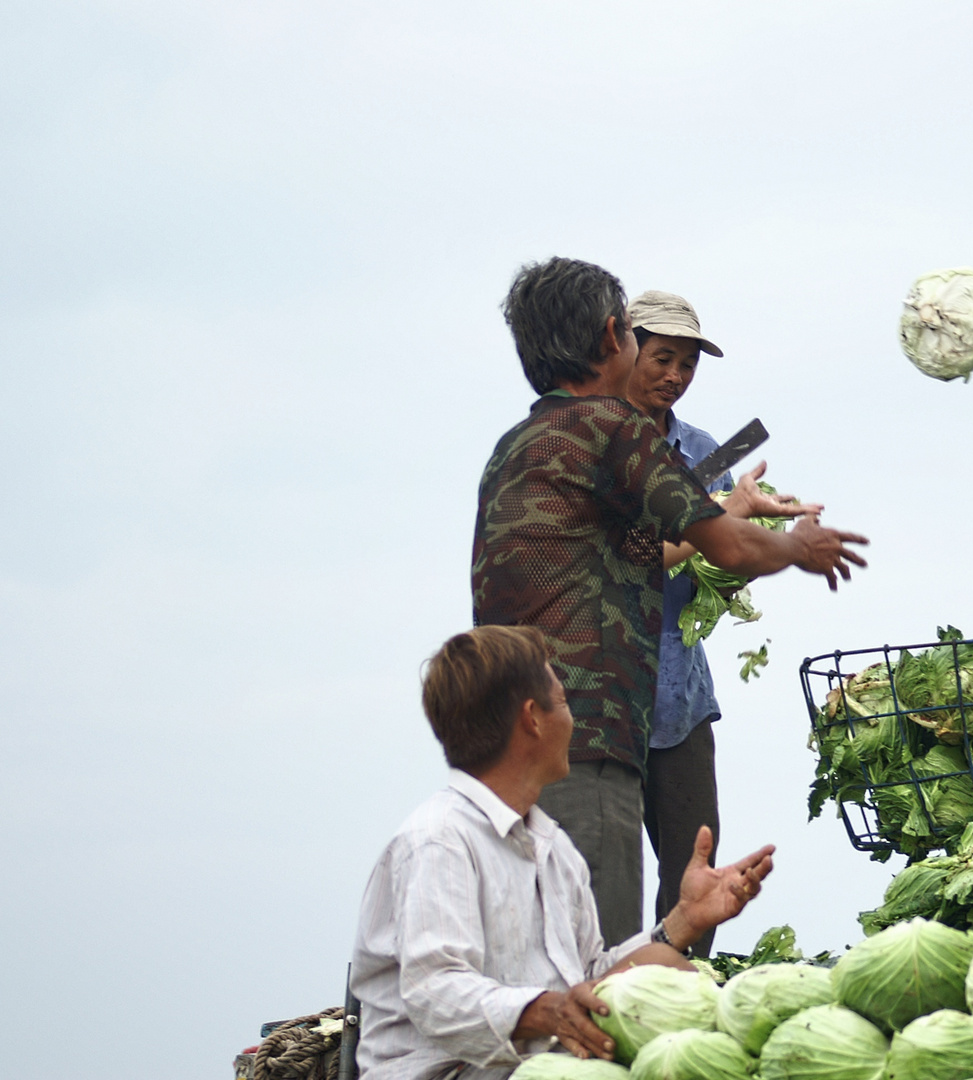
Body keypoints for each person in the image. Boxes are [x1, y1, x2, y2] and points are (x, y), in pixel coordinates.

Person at [471, 257, 866, 944]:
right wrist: (798, 546)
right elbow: (731, 548)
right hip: (585, 739)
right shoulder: (613, 431)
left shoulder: (518, 445)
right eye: (637, 338)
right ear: (609, 339)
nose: (672, 374)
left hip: (508, 745)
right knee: (599, 964)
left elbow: (633, 554)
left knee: (546, 949)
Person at [352, 626, 774, 1078]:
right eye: (567, 703)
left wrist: (683, 921)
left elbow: (592, 975)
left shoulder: (551, 848)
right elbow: (436, 992)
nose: (574, 722)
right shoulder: (439, 841)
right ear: (533, 718)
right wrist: (548, 1011)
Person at [620, 289, 807, 959]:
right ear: (622, 350)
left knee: (694, 860)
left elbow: (724, 561)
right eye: (662, 358)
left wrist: (763, 538)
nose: (675, 376)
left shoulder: (701, 449)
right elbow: (620, 554)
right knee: (600, 877)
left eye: (687, 365)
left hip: (679, 694)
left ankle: (676, 993)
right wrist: (717, 520)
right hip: (596, 699)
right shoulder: (595, 443)